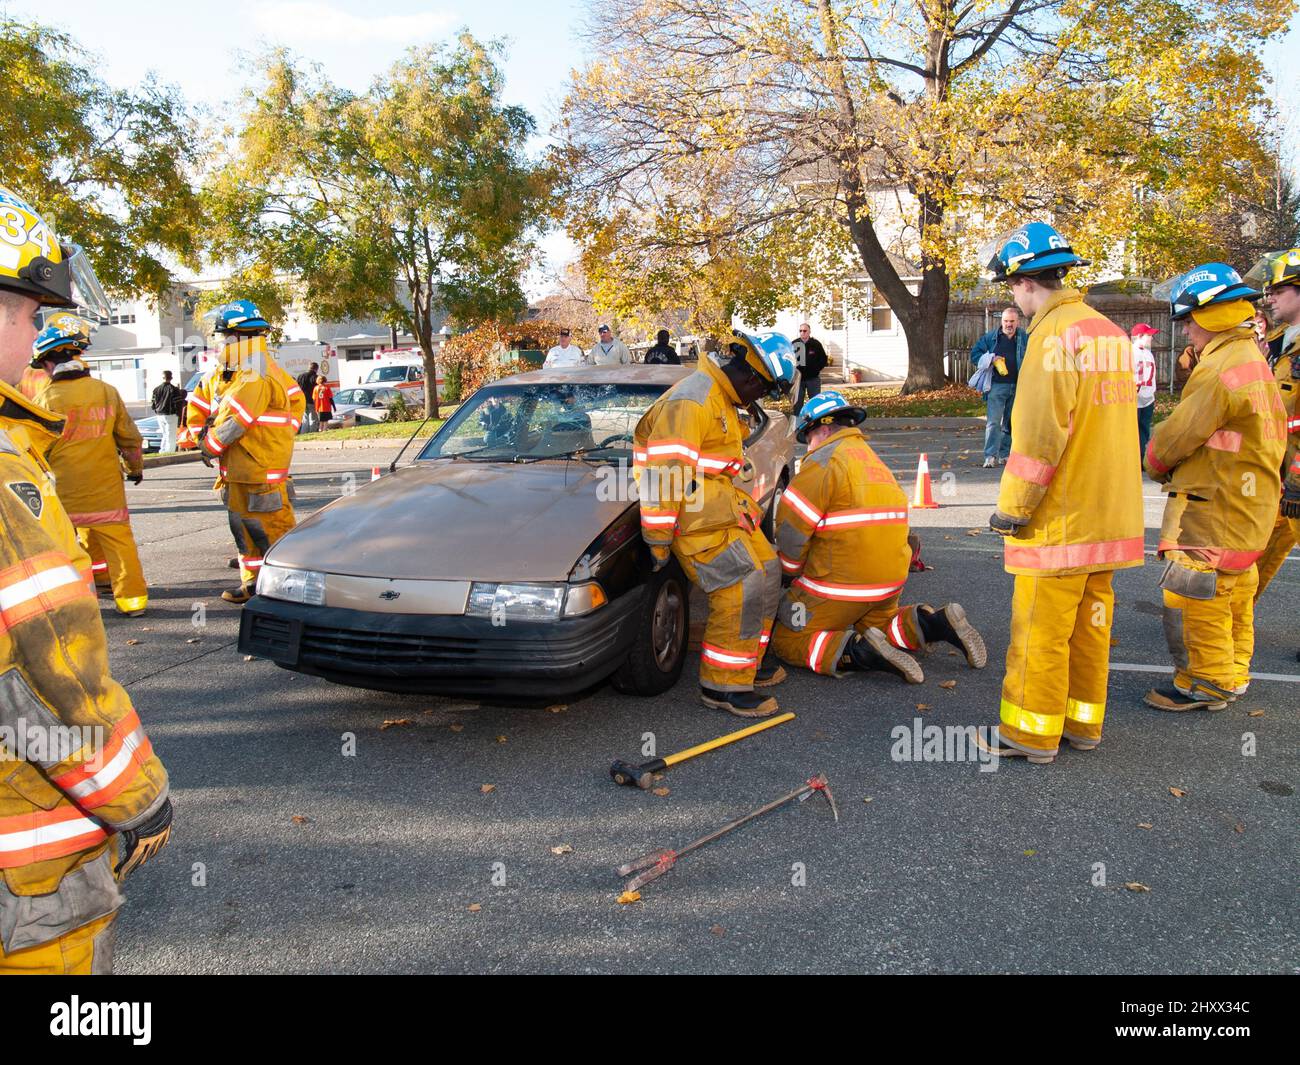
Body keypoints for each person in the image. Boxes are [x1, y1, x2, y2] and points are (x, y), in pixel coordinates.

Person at [0, 184, 171, 974]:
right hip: (28, 882)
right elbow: (45, 675)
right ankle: (129, 594)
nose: (33, 337)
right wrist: (137, 796)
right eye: (28, 314)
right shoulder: (16, 465)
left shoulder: (36, 416)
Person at [975, 222, 1144, 764]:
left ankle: (1029, 733)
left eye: (1011, 286)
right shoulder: (1107, 332)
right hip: (1110, 515)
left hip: (1062, 521)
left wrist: (1013, 509)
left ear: (1025, 282)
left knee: (1040, 631)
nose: (1013, 298)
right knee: (1091, 628)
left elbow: (1039, 437)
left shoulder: (1052, 336)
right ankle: (1081, 725)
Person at [1143, 263, 1285, 711]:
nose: (1185, 332)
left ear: (1209, 315)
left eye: (1187, 321)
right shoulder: (1253, 361)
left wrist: (1154, 461)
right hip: (1248, 509)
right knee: (1235, 593)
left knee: (1191, 595)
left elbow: (1174, 439)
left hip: (1210, 510)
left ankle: (1206, 682)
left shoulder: (1221, 368)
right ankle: (1234, 672)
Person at [634, 328, 796, 717]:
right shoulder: (693, 401)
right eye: (764, 390)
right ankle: (723, 686)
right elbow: (663, 474)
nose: (761, 399)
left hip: (720, 511)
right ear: (752, 376)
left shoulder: (720, 396)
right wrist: (657, 541)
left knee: (768, 570)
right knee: (741, 586)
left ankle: (746, 663)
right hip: (695, 522)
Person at [771, 391, 986, 681]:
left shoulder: (822, 463)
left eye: (807, 439)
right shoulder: (875, 463)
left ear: (821, 429)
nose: (807, 447)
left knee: (787, 636)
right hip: (888, 584)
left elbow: (792, 530)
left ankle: (859, 652)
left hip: (842, 587)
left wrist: (787, 572)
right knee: (883, 625)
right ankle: (937, 624)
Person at [30, 313, 149, 616]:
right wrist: (135, 469)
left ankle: (85, 596)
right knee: (120, 546)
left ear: (48, 362)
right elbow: (130, 439)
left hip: (64, 495)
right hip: (106, 491)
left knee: (71, 545)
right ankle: (132, 601)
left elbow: (36, 450)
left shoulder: (44, 399)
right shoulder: (105, 391)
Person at [199, 300, 306, 603]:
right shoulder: (257, 366)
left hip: (256, 470)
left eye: (221, 337)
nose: (219, 343)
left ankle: (289, 592)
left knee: (272, 534)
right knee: (249, 532)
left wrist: (208, 445)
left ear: (236, 337)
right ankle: (256, 585)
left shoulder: (253, 372)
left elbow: (237, 420)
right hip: (252, 468)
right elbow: (294, 402)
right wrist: (280, 436)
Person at [1246, 250, 1300, 649]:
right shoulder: (1279, 342)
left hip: (1295, 473)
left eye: (1279, 290)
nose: (1270, 299)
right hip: (1279, 471)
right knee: (1263, 547)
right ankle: (1237, 616)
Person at [969, 307, 1026, 467]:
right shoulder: (991, 338)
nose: (1009, 324)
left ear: (1017, 322)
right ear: (1001, 322)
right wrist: (991, 359)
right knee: (993, 422)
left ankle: (1005, 455)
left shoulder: (1024, 338)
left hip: (1018, 386)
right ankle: (990, 456)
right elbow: (974, 355)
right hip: (996, 386)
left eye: (1012, 321)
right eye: (1006, 321)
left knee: (1010, 423)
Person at [1131, 323, 1159, 461]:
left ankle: (1141, 457)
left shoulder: (1148, 353)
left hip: (1147, 398)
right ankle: (1133, 458)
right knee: (1133, 430)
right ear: (1139, 336)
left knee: (1144, 430)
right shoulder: (1130, 352)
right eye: (1149, 335)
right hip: (1134, 398)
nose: (1151, 338)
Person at [792, 324, 828, 413]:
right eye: (800, 331)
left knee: (815, 402)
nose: (802, 333)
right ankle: (798, 423)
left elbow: (823, 359)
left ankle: (815, 421)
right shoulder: (794, 344)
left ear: (809, 332)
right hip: (798, 380)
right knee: (797, 403)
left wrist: (816, 369)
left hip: (813, 379)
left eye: (804, 331)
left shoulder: (816, 344)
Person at [150, 369, 185, 452]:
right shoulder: (174, 390)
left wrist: (157, 411)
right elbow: (178, 404)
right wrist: (179, 417)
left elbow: (153, 404)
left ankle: (162, 451)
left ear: (162, 377)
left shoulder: (156, 389)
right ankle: (170, 451)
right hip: (170, 415)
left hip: (159, 415)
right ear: (171, 378)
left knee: (165, 435)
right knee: (171, 436)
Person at [296, 362, 320, 432]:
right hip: (311, 400)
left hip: (302, 400)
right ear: (316, 369)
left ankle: (304, 433)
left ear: (309, 367)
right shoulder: (315, 377)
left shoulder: (300, 376)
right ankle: (312, 432)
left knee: (305, 418)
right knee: (313, 418)